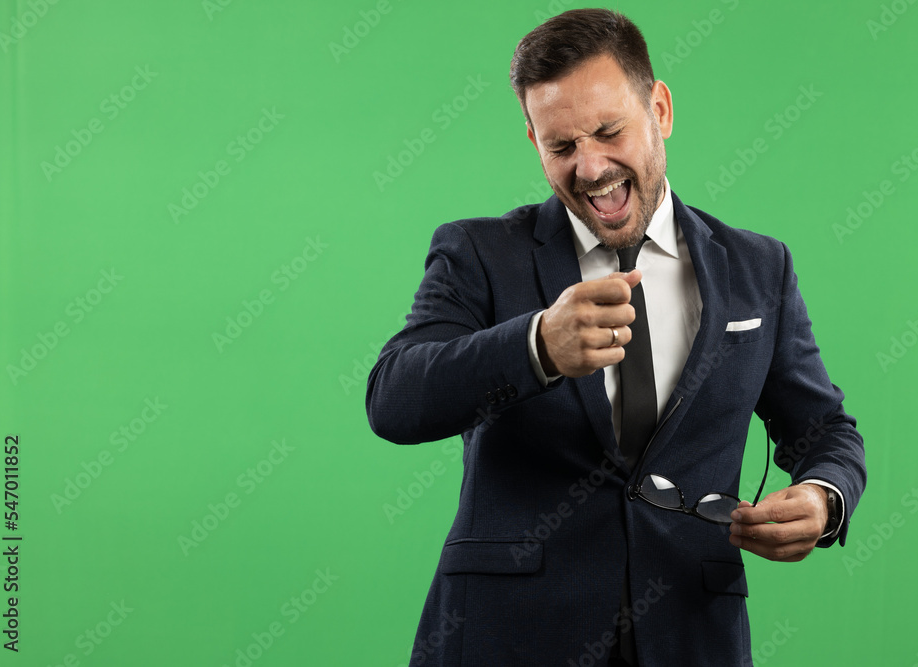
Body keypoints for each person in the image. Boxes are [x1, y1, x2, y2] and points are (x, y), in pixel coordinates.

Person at [366, 9, 865, 666]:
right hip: (506, 638)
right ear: (533, 139)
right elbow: (395, 397)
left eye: (608, 131)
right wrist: (538, 346)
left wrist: (822, 497)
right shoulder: (479, 253)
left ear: (658, 108)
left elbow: (825, 429)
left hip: (690, 634)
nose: (592, 168)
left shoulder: (759, 269)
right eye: (562, 147)